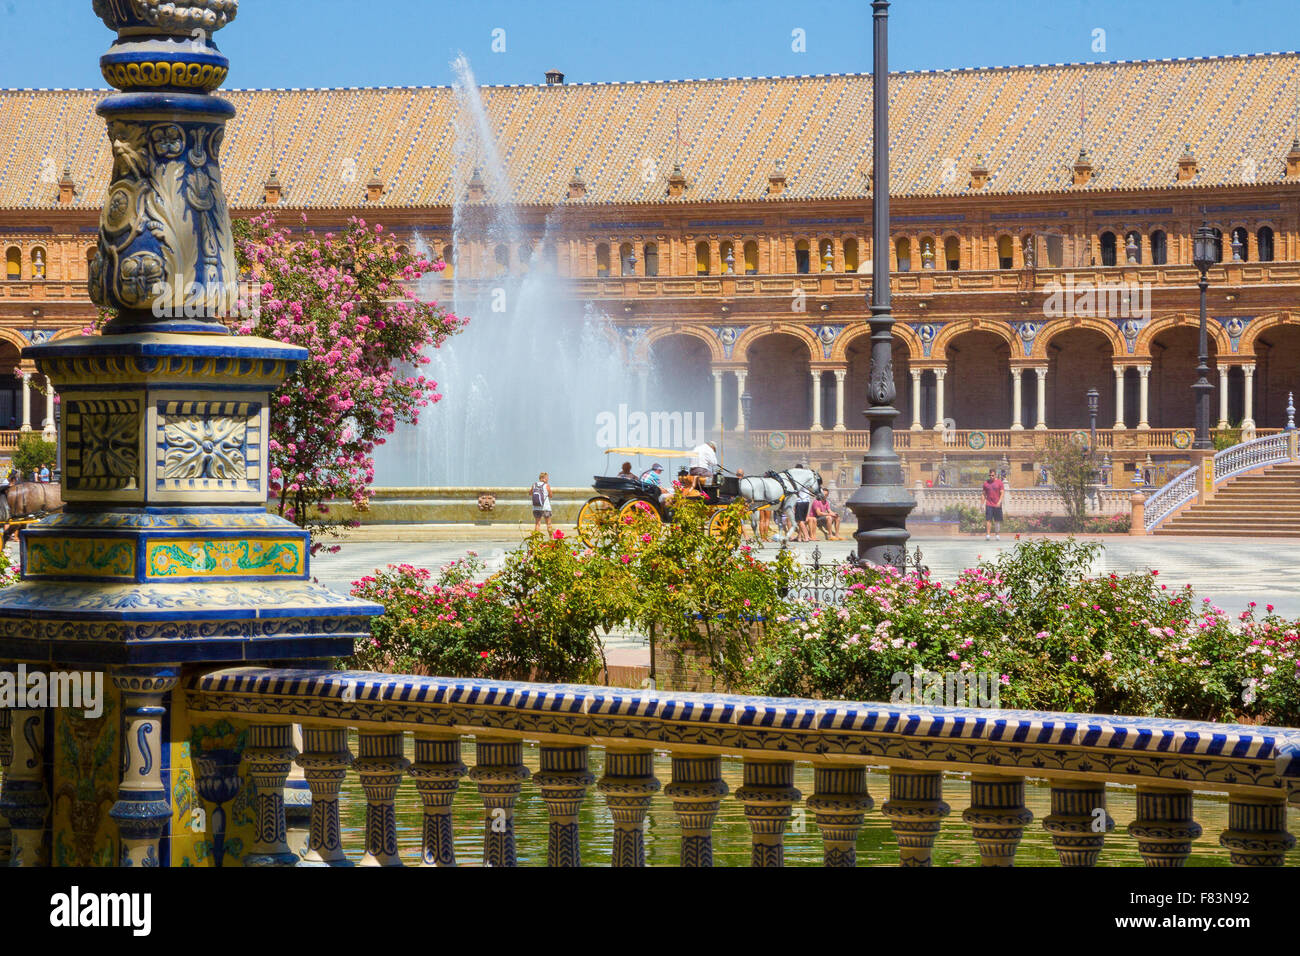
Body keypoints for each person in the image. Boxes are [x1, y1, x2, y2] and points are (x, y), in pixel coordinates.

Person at [982, 468, 1004, 541]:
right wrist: (982, 504)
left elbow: (1002, 493)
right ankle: (988, 535)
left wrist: (999, 502)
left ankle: (997, 534)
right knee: (988, 520)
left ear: (995, 475)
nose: (991, 477)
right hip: (989, 504)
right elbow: (983, 494)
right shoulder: (986, 483)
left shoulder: (999, 482)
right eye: (990, 475)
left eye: (993, 475)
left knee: (997, 520)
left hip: (997, 504)